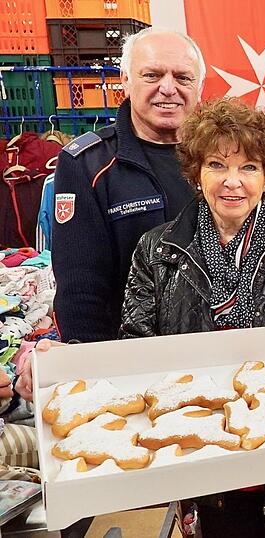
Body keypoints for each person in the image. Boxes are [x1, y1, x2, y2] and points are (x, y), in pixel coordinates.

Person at [119, 97, 265, 536]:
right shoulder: (157, 250)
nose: (232, 182)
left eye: (249, 167)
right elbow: (138, 349)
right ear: (195, 172)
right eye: (218, 165)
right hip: (201, 460)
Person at [51, 28, 204, 343]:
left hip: (215, 350)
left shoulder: (223, 158)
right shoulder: (85, 164)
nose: (168, 88)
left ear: (200, 86)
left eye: (183, 78)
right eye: (152, 75)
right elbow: (81, 288)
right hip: (130, 354)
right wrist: (92, 366)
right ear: (125, 80)